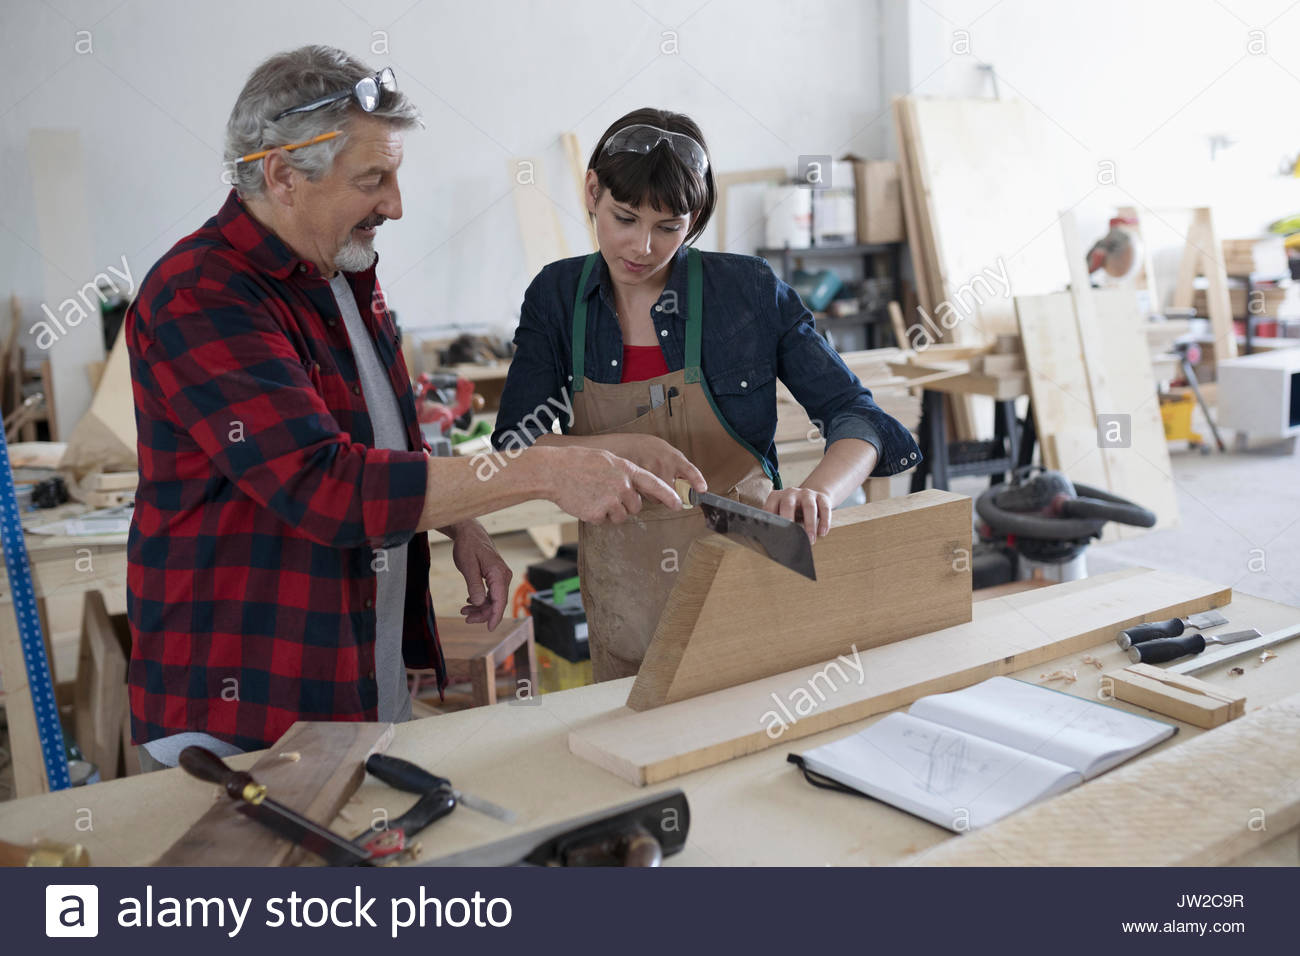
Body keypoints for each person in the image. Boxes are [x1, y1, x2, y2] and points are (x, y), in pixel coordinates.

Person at [125, 49, 680, 768]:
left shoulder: (343, 272)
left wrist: (456, 511)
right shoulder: (201, 294)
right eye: (372, 179)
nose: (395, 204)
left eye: (395, 176)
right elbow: (324, 485)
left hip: (351, 682)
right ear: (283, 175)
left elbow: (372, 440)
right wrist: (537, 471)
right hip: (244, 720)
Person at [493, 108, 924, 681]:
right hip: (622, 593)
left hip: (745, 577)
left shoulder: (747, 292)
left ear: (694, 219)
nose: (642, 246)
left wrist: (817, 494)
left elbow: (859, 417)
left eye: (668, 226)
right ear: (592, 191)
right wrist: (621, 449)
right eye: (624, 218)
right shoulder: (555, 296)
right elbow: (517, 441)